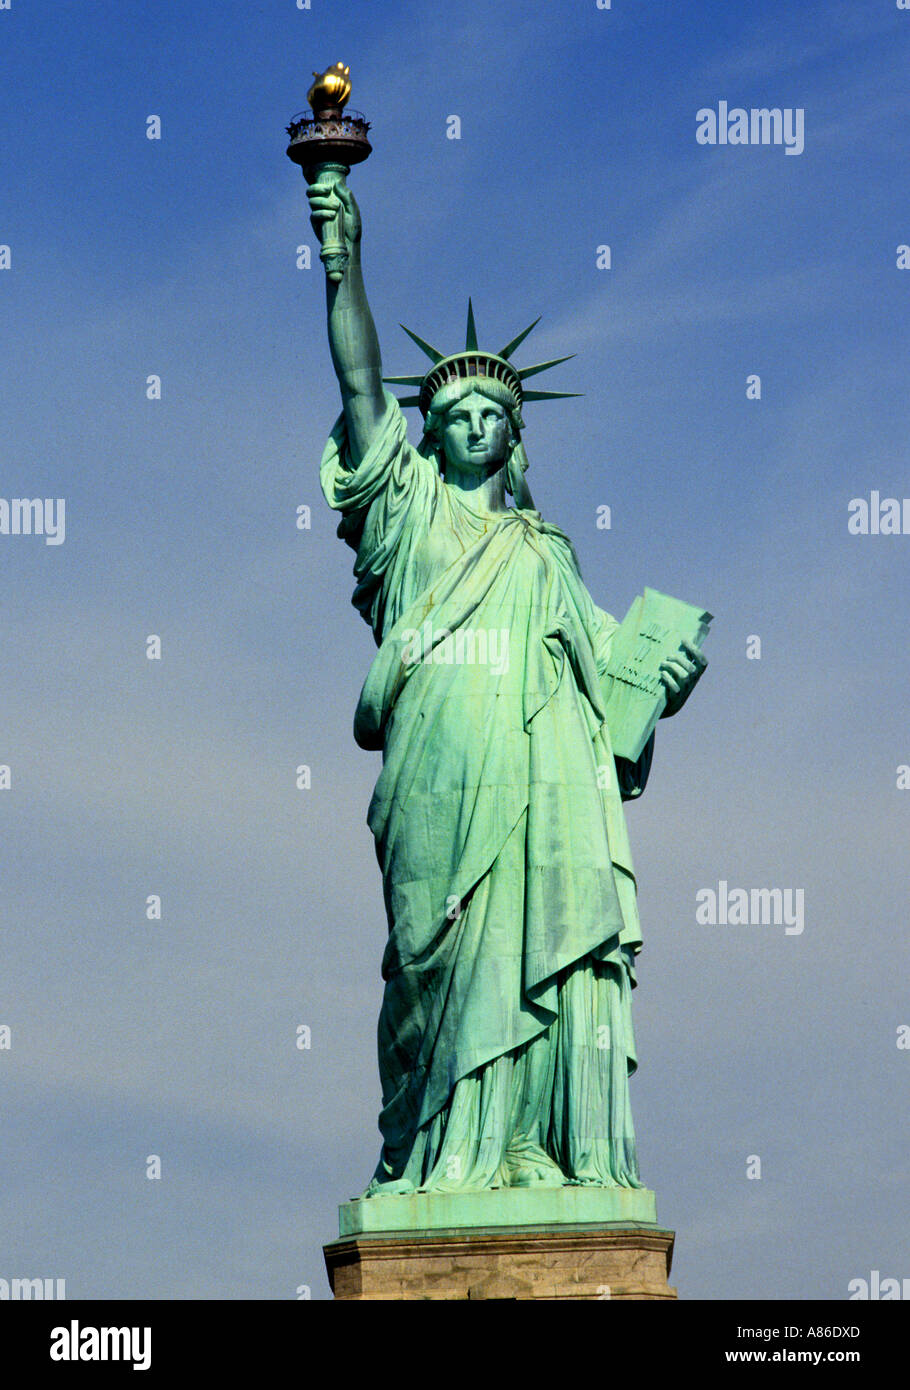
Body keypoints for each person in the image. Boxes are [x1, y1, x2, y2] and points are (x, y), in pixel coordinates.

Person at [308, 177, 706, 1193]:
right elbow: (360, 392)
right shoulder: (405, 520)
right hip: (439, 768)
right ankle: (439, 1150)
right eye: (455, 412)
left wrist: (664, 671)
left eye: (494, 410)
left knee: (542, 937)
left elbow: (608, 669)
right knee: (434, 957)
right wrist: (342, 262)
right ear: (429, 435)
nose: (476, 423)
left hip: (539, 778)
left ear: (514, 435)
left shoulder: (546, 552)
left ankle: (527, 1142)